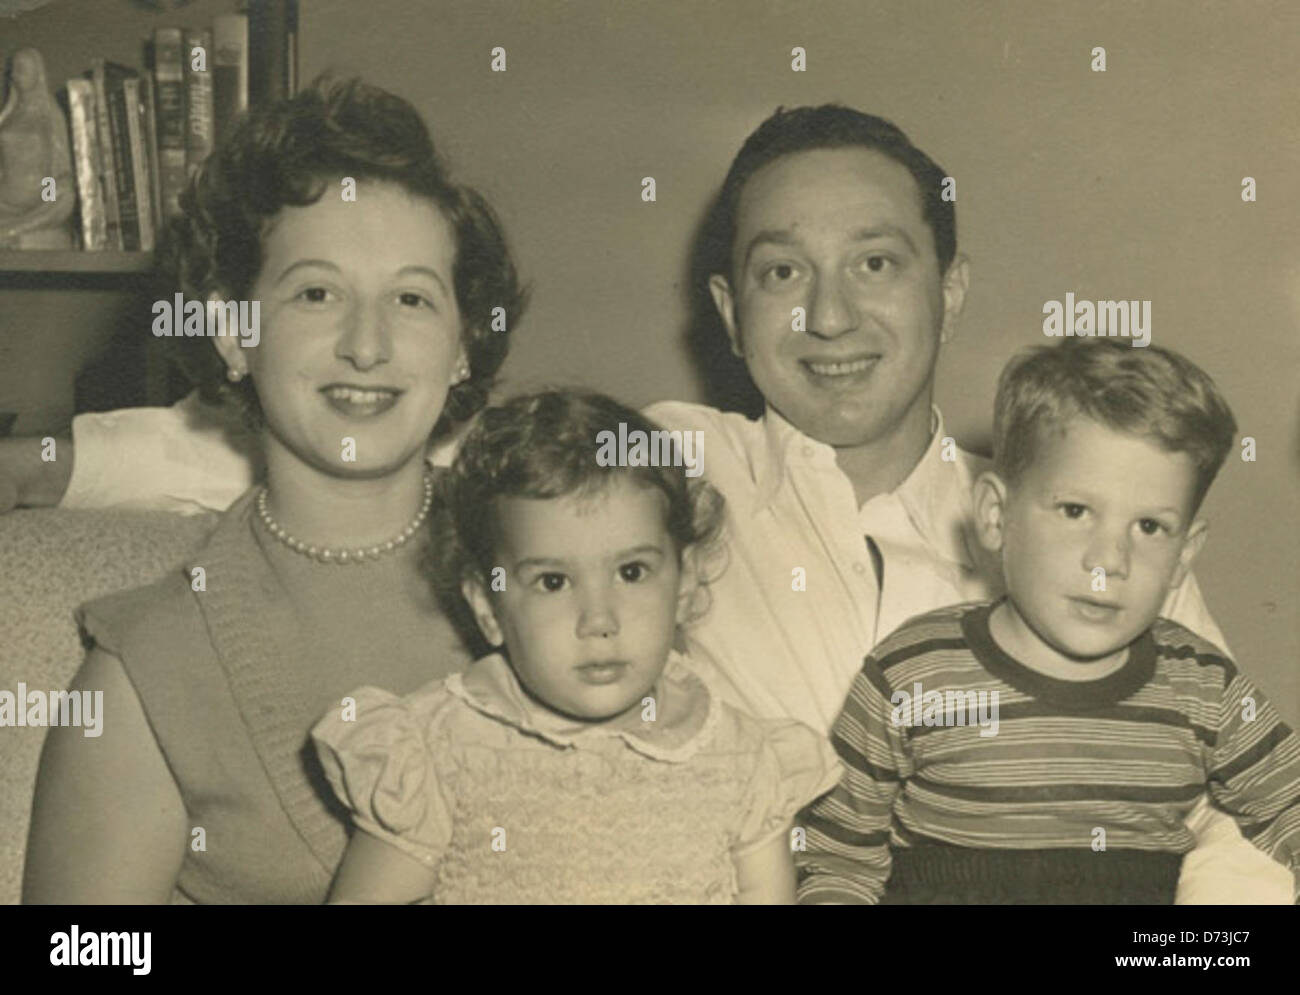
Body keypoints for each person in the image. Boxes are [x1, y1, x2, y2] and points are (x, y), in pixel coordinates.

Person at [10, 102, 1286, 901]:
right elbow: (356, 435)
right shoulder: (660, 481)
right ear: (728, 314)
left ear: (950, 289)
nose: (829, 316)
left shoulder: (1096, 524)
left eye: (878, 265)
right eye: (781, 271)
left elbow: (1232, 815)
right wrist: (56, 465)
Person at [22, 76, 526, 903]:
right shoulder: (149, 669)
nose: (367, 345)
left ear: (463, 345)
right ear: (232, 333)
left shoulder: (566, 561)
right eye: (317, 293)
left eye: (411, 297)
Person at [795, 338, 1300, 903]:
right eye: (1075, 511)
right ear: (995, 515)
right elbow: (838, 858)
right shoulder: (913, 672)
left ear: (1184, 555)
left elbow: (1289, 802)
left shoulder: (1206, 687)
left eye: (1150, 528)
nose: (1109, 560)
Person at [312, 390, 840, 903]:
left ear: (684, 585)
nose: (598, 621)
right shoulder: (439, 750)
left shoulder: (742, 761)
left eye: (631, 572)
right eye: (552, 582)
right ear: (487, 607)